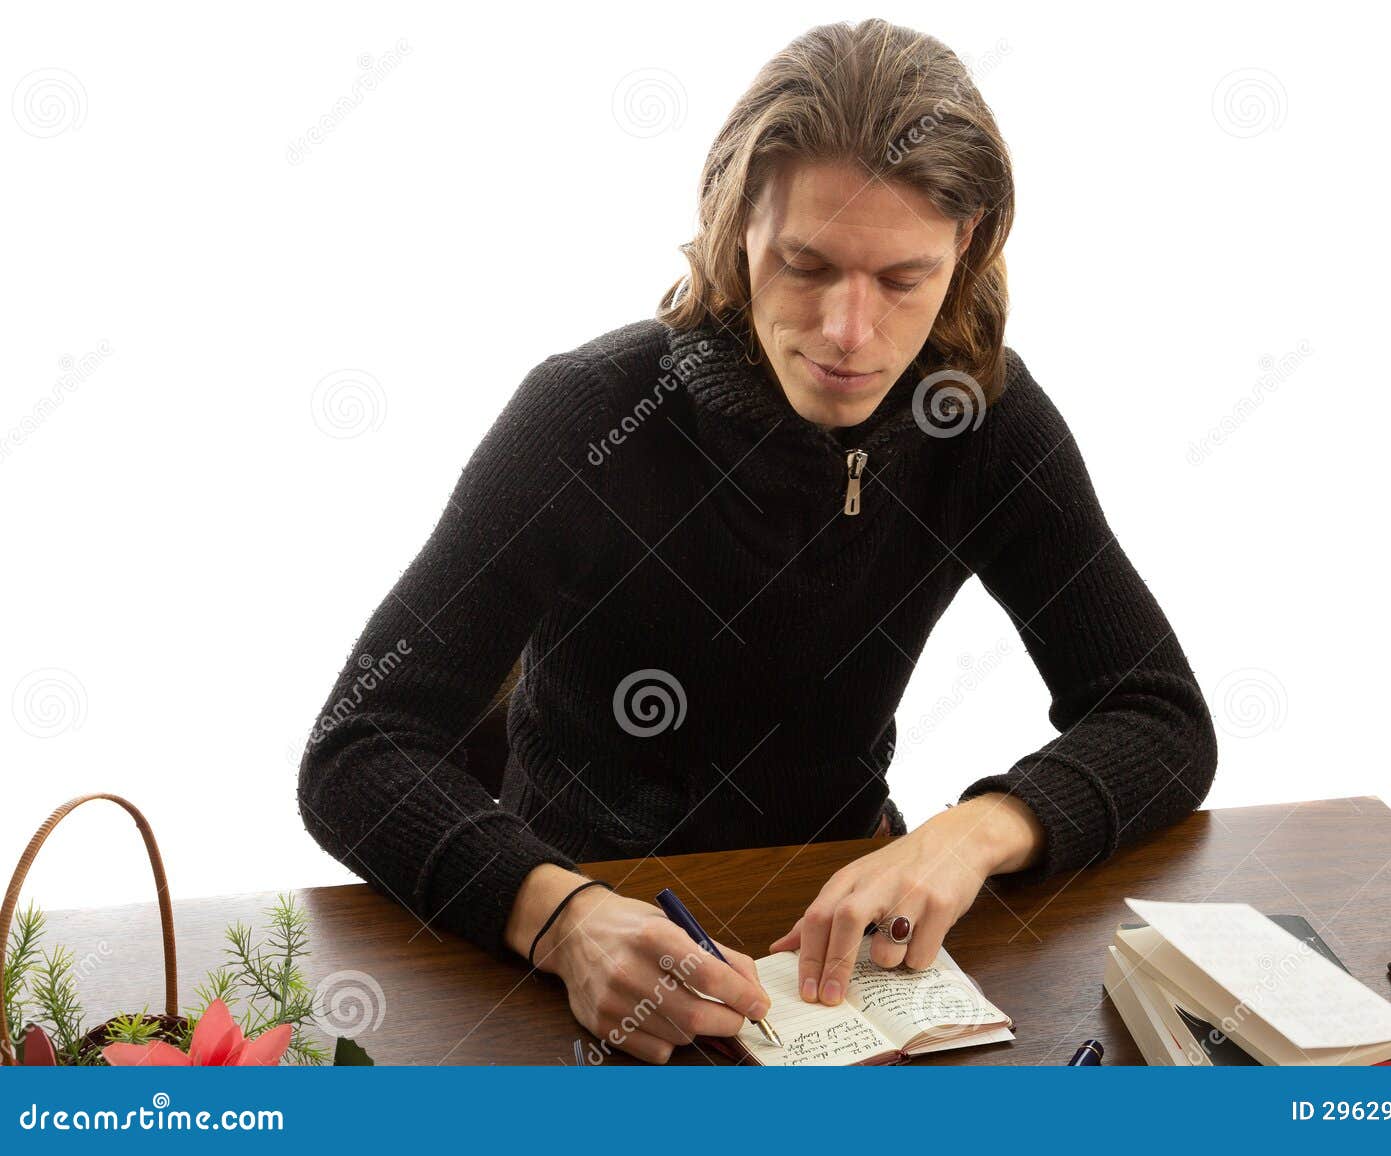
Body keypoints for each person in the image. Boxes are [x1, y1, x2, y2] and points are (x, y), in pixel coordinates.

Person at [296, 18, 1218, 1064]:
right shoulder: (587, 415)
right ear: (735, 224)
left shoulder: (983, 422)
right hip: (570, 941)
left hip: (835, 955)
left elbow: (1157, 712)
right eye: (805, 264)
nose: (847, 334)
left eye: (902, 279)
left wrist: (968, 832)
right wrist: (559, 920)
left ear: (969, 246)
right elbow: (359, 746)